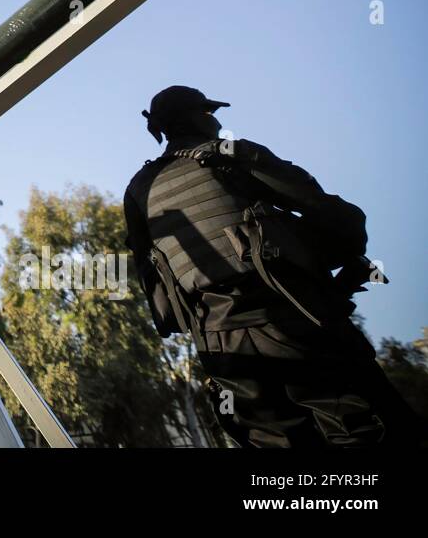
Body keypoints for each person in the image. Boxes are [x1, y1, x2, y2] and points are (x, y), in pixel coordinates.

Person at [124, 86, 425, 447]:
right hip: (292, 317)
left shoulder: (139, 189)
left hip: (221, 346)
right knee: (364, 426)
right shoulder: (230, 154)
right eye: (209, 113)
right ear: (195, 117)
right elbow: (327, 211)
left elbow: (157, 293)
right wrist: (334, 258)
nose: (216, 121)